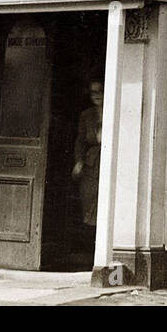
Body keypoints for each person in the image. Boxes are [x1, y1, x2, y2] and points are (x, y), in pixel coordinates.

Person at [72, 81, 103, 226]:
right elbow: (80, 141)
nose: (96, 95)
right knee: (88, 199)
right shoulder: (86, 115)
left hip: (108, 162)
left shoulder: (114, 110)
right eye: (93, 92)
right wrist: (79, 161)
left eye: (100, 91)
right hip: (91, 164)